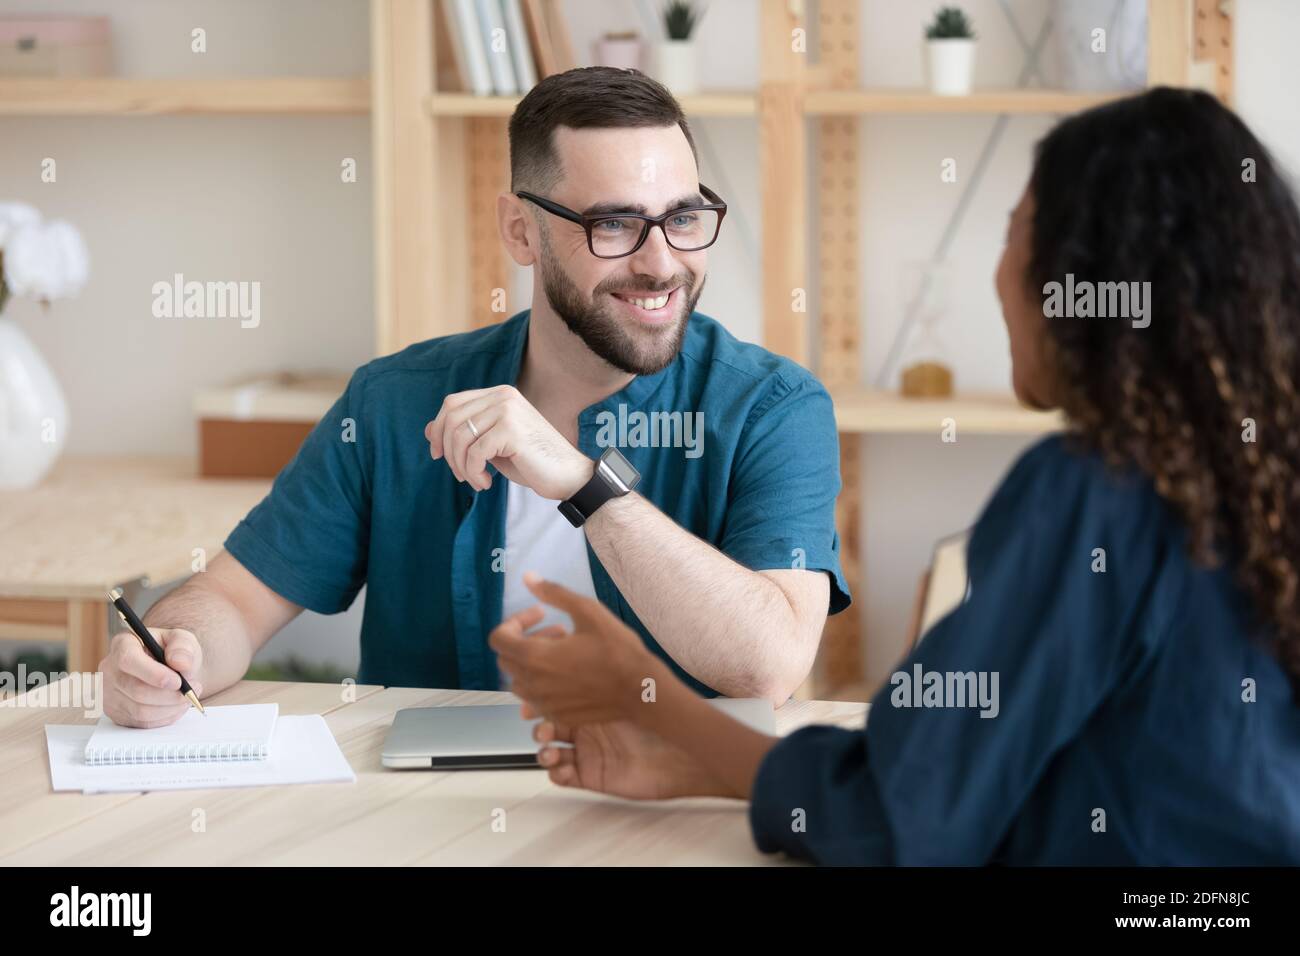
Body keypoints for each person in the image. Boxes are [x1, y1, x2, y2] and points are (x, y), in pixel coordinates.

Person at [491, 87, 1300, 865]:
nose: (1000, 276)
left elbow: (904, 823)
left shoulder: (1094, 496)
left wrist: (647, 698)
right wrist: (704, 764)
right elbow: (1021, 790)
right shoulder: (1259, 476)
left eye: (1017, 232)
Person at [97, 66, 850, 729]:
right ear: (522, 232)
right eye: (615, 224)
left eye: (684, 219)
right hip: (430, 827)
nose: (662, 263)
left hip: (666, 823)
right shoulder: (393, 403)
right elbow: (231, 601)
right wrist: (176, 651)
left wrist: (582, 483)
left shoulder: (772, 408)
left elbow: (768, 665)